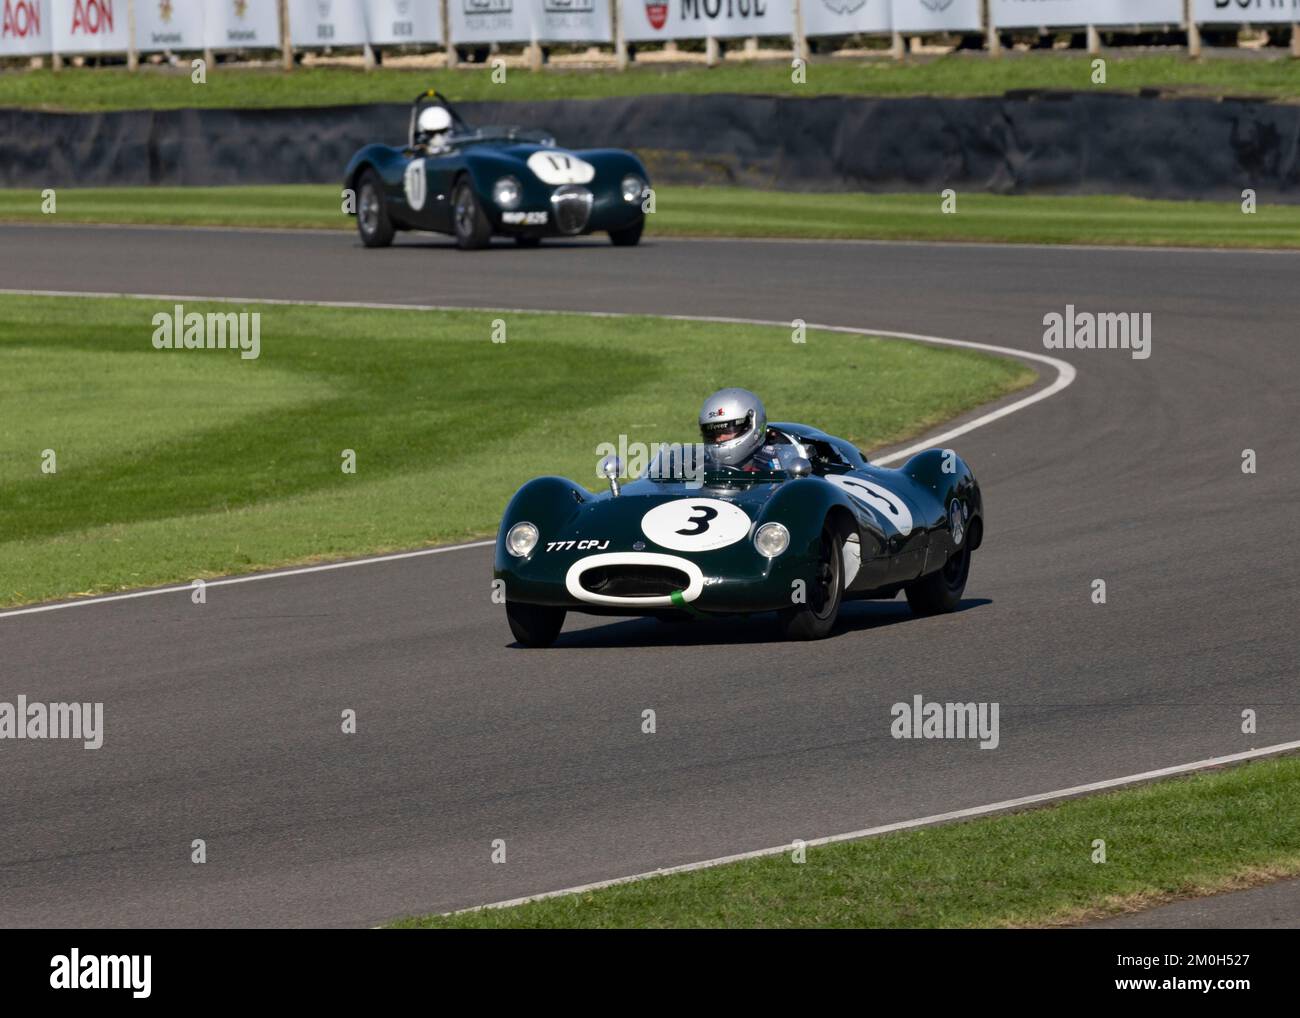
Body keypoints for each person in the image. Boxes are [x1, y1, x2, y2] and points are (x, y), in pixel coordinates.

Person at [698, 388, 806, 473]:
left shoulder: (780, 462)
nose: (719, 438)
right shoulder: (700, 462)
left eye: (727, 430)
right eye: (711, 433)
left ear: (752, 422)